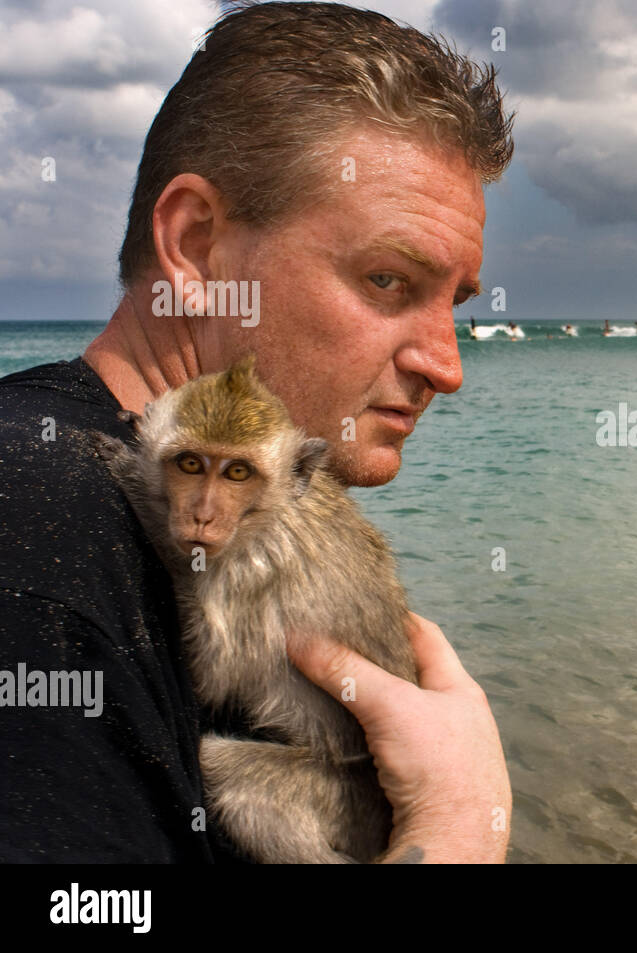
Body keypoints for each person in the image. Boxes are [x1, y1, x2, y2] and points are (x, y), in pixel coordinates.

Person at [0, 3, 512, 863]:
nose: (446, 365)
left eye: (454, 303)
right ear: (196, 250)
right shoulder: (35, 523)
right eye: (388, 278)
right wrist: (459, 820)